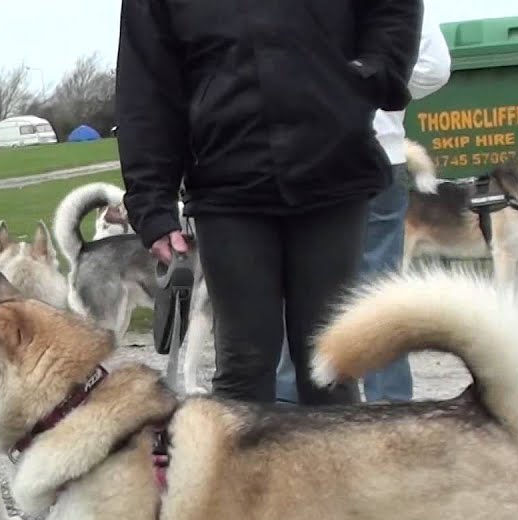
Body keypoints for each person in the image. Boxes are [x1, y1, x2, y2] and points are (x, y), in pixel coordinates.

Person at [115, 0, 421, 404]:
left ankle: (335, 469)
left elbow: (393, 10)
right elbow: (146, 84)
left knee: (330, 368)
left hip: (331, 168)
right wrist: (152, 202)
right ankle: (243, 469)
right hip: (226, 183)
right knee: (243, 368)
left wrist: (371, 73)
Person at [275, 20, 452, 404]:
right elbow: (436, 67)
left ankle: (291, 404)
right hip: (382, 152)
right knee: (381, 287)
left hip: (311, 152)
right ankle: (389, 402)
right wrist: (384, 91)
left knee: (307, 289)